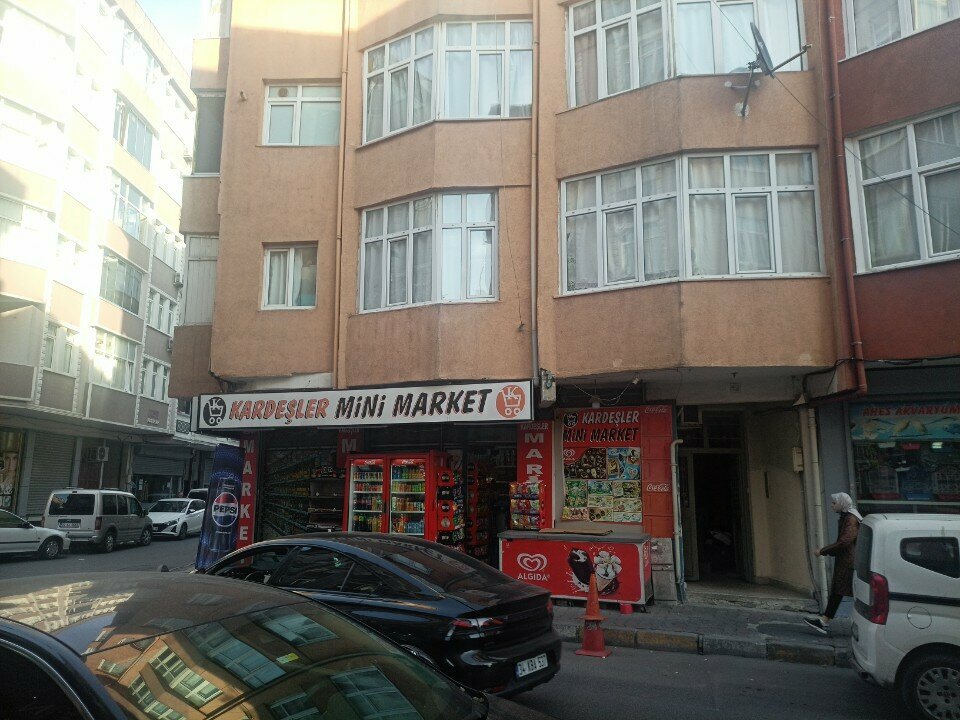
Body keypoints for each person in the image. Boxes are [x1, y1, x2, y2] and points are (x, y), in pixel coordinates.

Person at [803, 492, 862, 635]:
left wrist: (822, 551)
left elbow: (844, 541)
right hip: (846, 560)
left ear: (841, 504)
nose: (832, 505)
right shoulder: (847, 517)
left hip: (849, 562)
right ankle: (824, 621)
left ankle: (827, 621)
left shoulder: (851, 519)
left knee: (850, 592)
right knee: (838, 592)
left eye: (834, 503)